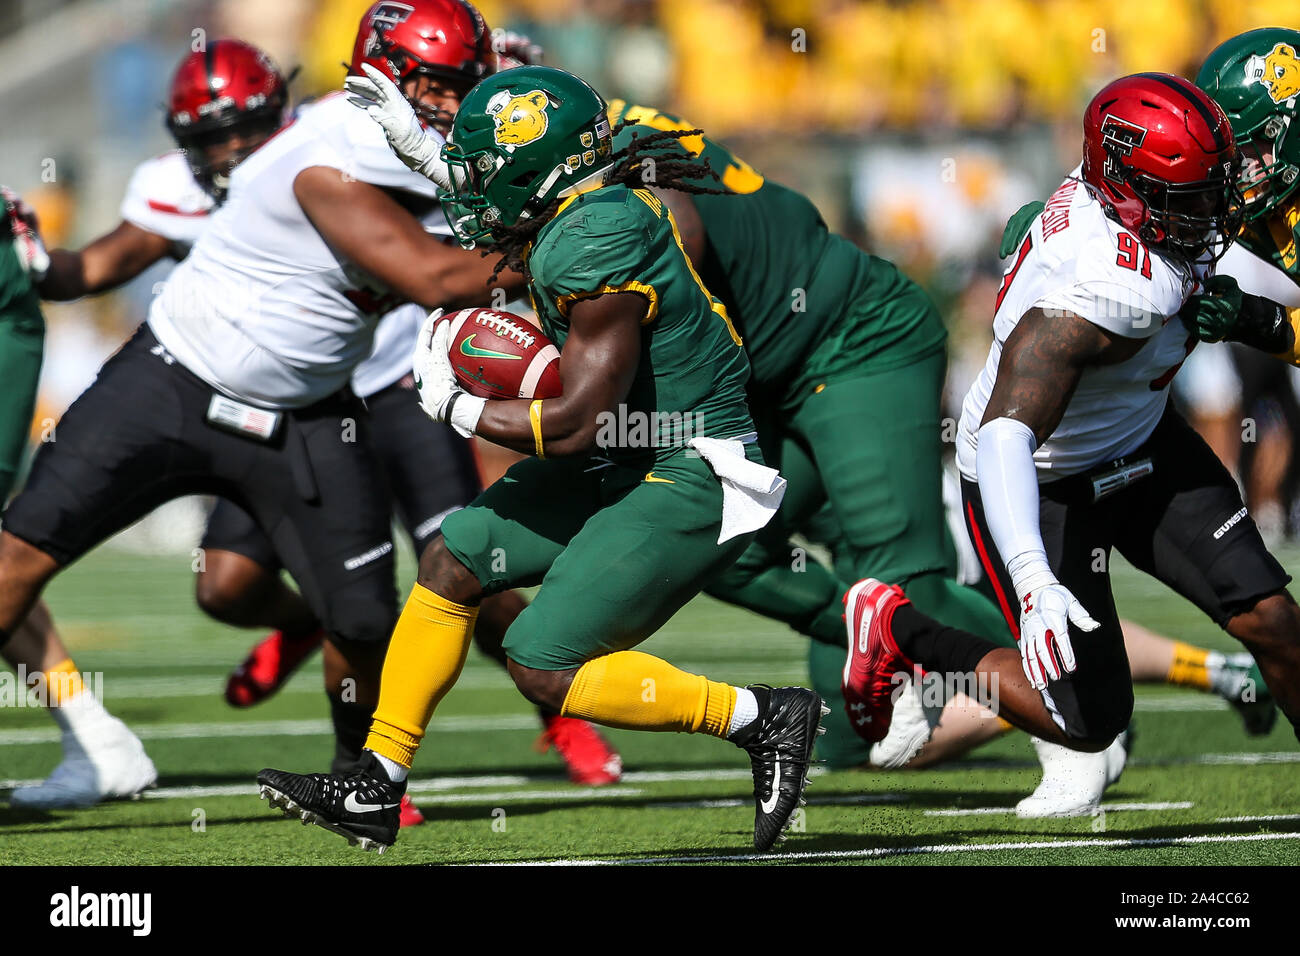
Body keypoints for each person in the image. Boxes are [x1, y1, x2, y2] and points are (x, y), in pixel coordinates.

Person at [257, 64, 823, 855]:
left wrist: (452, 404)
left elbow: (574, 424)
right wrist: (425, 152)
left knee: (542, 661)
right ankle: (374, 784)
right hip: (630, 451)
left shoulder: (597, 239)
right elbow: (510, 221)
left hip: (694, 464)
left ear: (539, 171)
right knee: (452, 559)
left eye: (487, 170)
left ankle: (764, 717)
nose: (472, 189)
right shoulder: (581, 206)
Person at [0, 5, 516, 815]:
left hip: (308, 411)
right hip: (171, 382)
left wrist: (531, 115)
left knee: (363, 624)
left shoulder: (418, 140)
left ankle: (358, 778)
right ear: (386, 75)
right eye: (436, 83)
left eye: (459, 84)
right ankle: (96, 742)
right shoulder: (327, 155)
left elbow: (482, 185)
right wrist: (569, 236)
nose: (450, 102)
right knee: (14, 560)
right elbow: (441, 279)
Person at [843, 73, 1300, 758]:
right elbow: (1004, 431)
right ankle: (898, 630)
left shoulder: (1126, 194)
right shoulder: (1103, 287)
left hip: (1143, 441)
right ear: (1128, 193)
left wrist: (1251, 315)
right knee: (1089, 719)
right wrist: (1031, 579)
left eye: (1213, 188)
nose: (1212, 212)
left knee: (1273, 619)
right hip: (1043, 476)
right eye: (1190, 197)